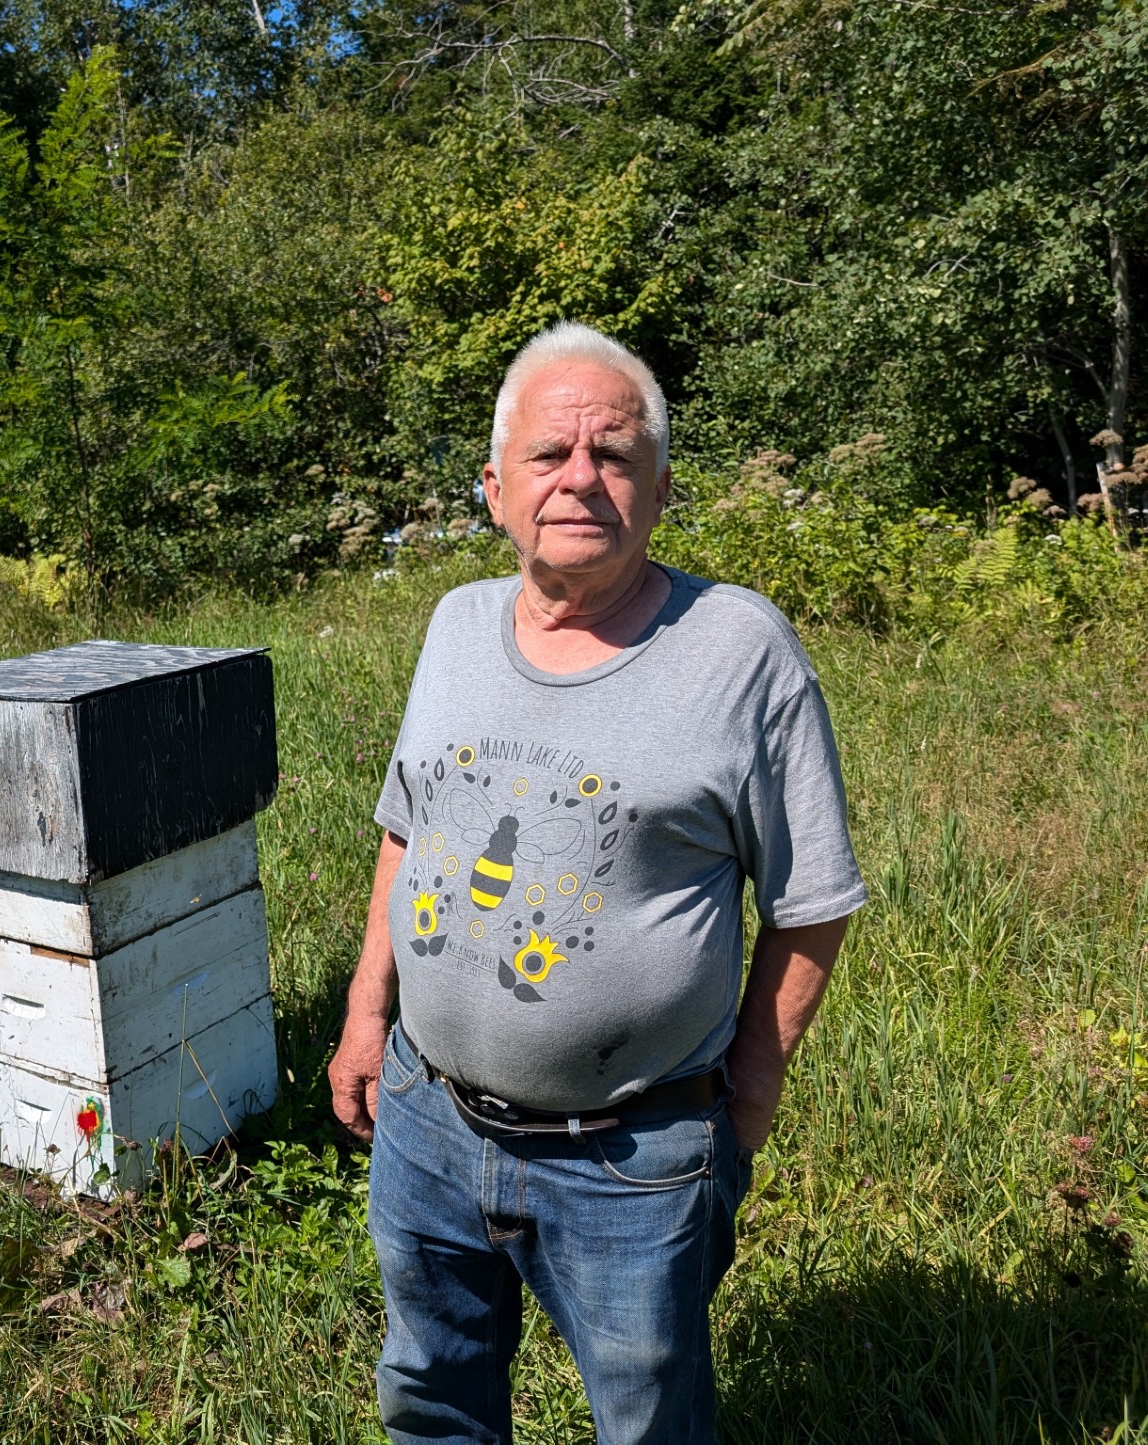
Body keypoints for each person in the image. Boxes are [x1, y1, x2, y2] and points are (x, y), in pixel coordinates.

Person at [327, 321, 866, 1444]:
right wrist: (365, 1013)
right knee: (430, 1394)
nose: (580, 477)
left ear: (659, 487)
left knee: (646, 1418)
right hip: (427, 1121)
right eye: (548, 455)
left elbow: (810, 899)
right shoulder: (455, 623)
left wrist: (745, 1096)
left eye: (613, 455)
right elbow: (406, 826)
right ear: (493, 486)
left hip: (633, 1151)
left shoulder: (738, 649)